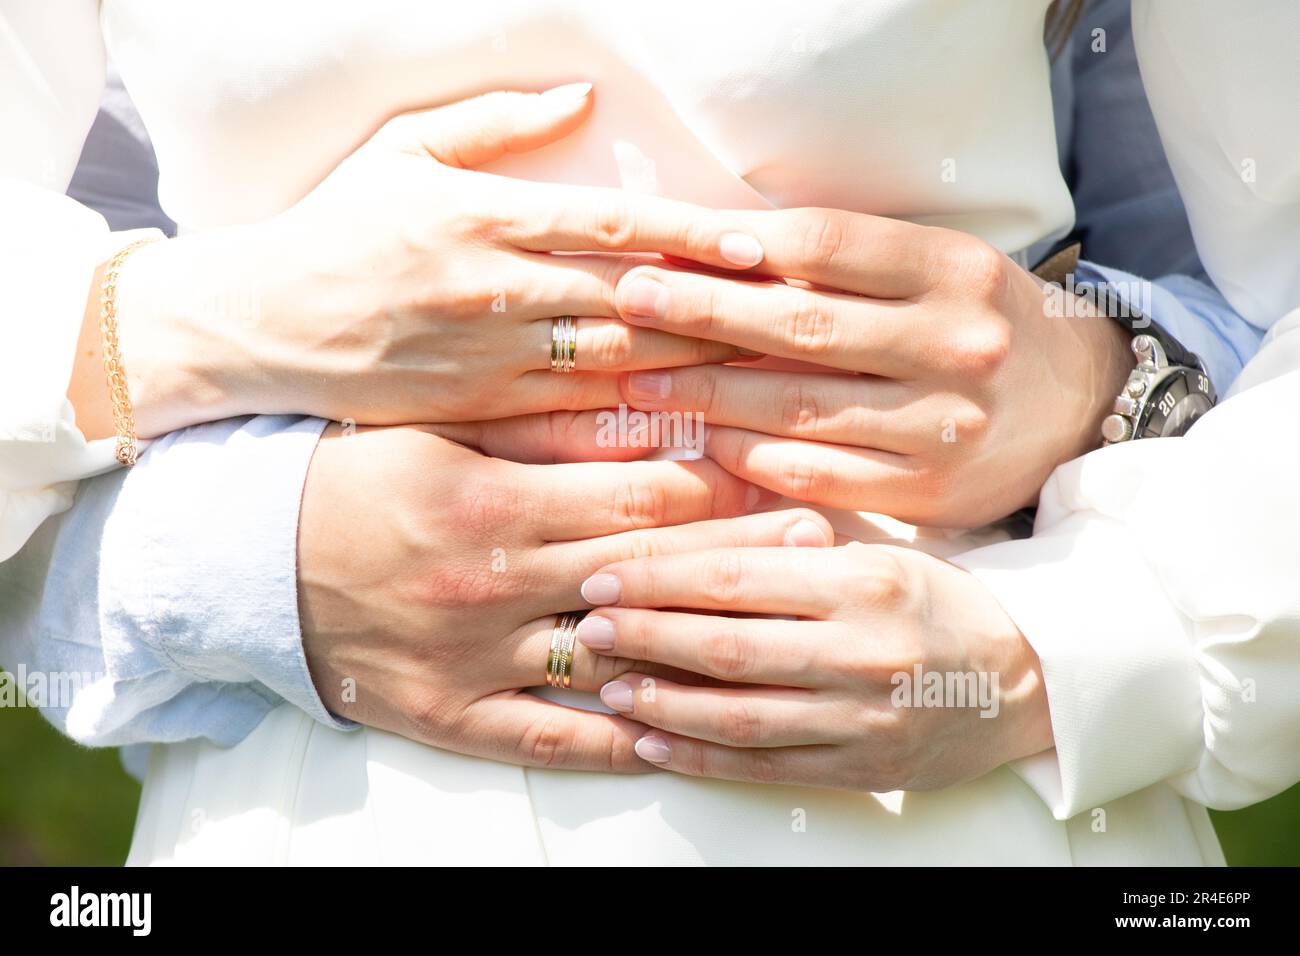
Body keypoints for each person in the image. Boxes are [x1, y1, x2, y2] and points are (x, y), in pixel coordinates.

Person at [2, 1, 1295, 864]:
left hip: (953, 802)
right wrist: (235, 512)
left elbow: (1249, 285)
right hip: (311, 810)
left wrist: (1072, 637)